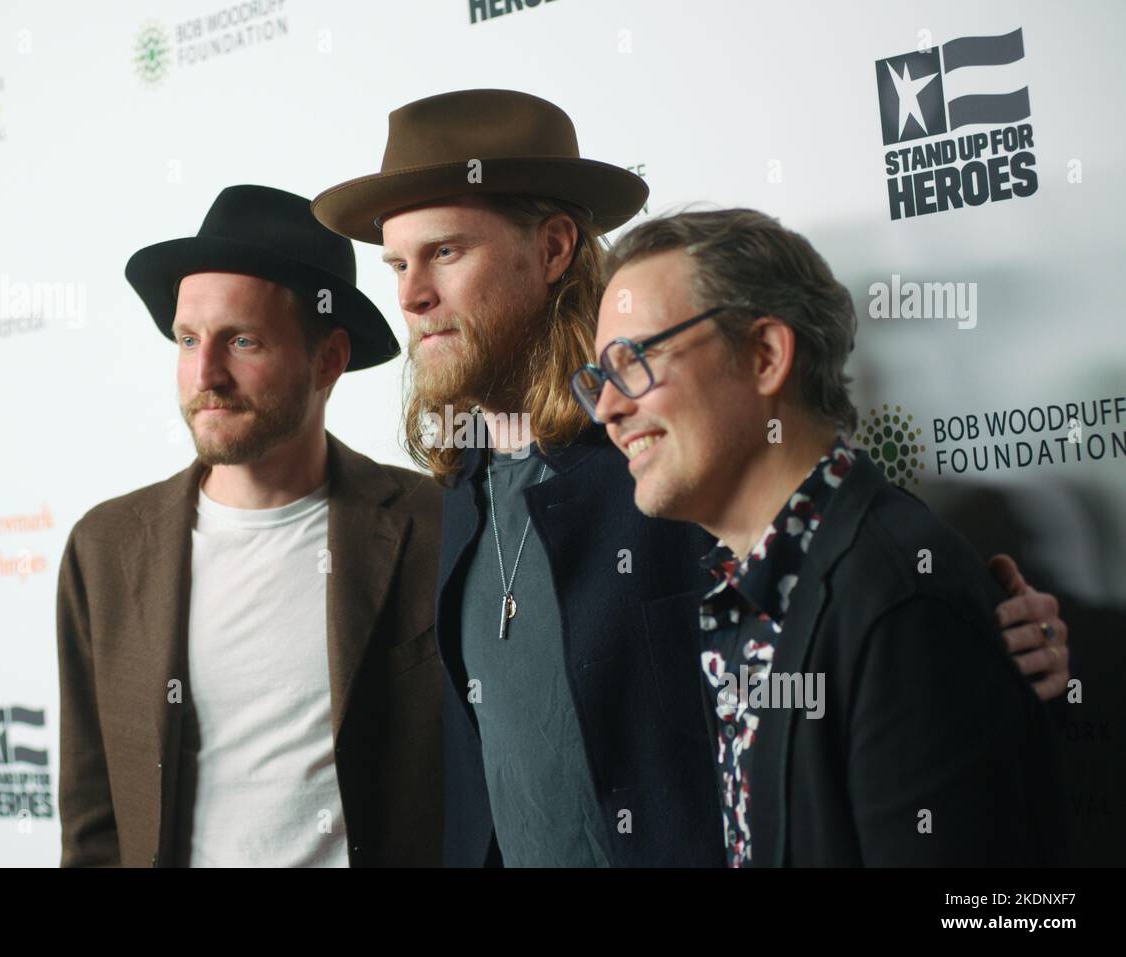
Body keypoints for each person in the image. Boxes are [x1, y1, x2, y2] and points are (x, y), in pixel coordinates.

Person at [312, 89, 1069, 866]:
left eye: (445, 252)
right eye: (398, 264)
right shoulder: (460, 490)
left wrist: (996, 627)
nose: (410, 295)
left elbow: (845, 556)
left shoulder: (668, 458)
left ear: (553, 248)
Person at [579, 207, 1064, 864]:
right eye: (600, 377)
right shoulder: (739, 590)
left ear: (765, 355)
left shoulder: (898, 597)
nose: (607, 408)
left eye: (635, 359)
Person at [57, 185, 442, 867]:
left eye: (242, 339)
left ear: (329, 359)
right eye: (186, 339)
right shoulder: (105, 548)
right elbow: (94, 824)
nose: (206, 374)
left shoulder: (430, 527)